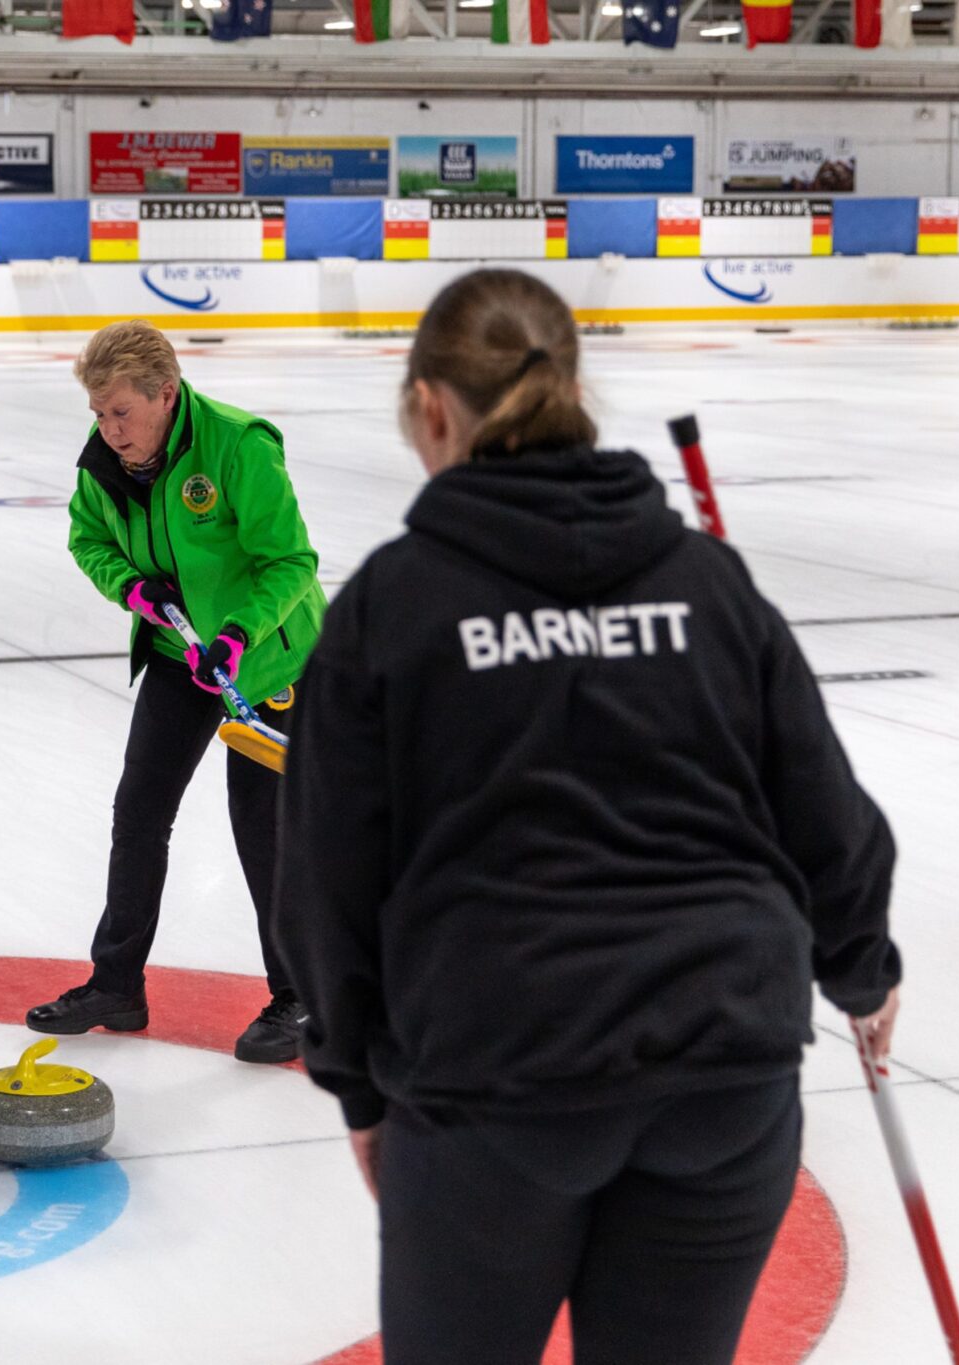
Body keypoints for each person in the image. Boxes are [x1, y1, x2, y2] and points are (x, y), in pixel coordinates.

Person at [272, 268, 902, 1365]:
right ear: (571, 390)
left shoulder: (392, 606)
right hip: (721, 1064)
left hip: (495, 1075)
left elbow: (325, 876)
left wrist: (359, 1089)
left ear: (429, 407)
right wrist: (861, 969)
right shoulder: (708, 583)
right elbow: (824, 812)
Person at [25, 319, 323, 1063]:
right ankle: (116, 985)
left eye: (122, 411)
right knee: (139, 813)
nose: (109, 429)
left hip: (266, 660)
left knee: (263, 828)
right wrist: (133, 589)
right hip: (178, 652)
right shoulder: (105, 460)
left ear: (166, 393)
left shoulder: (238, 446)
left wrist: (239, 633)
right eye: (99, 412)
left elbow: (291, 561)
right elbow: (87, 539)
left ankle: (299, 996)